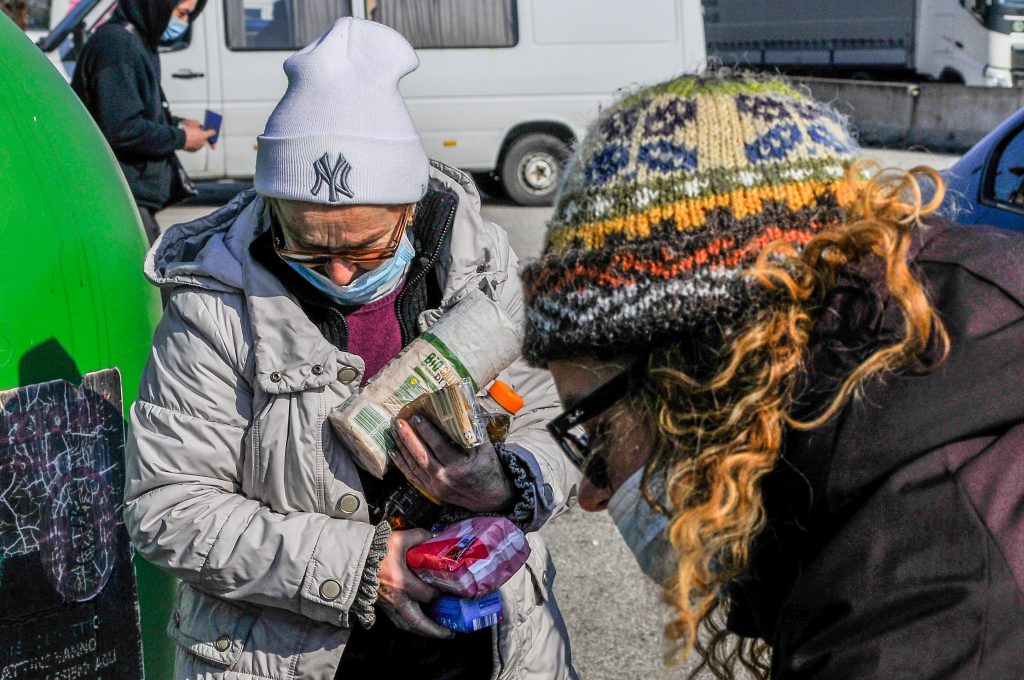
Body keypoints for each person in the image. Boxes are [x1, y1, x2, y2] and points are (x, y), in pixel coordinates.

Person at [521, 72, 1024, 678]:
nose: (591, 496)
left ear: (705, 373)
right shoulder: (951, 369)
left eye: (595, 437)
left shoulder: (917, 604)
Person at [124, 17, 578, 680]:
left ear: (408, 208)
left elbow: (554, 419)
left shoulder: (480, 268)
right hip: (285, 655)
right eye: (307, 245)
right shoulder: (212, 305)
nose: (338, 274)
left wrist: (507, 481)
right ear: (270, 209)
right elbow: (170, 503)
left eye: (366, 248)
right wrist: (365, 567)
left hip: (489, 641)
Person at [72, 0, 215, 245]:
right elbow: (122, 128)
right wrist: (181, 138)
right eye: (180, 13)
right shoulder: (118, 47)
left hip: (128, 195)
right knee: (146, 278)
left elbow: (134, 109)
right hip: (119, 194)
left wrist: (176, 123)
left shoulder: (134, 40)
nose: (183, 23)